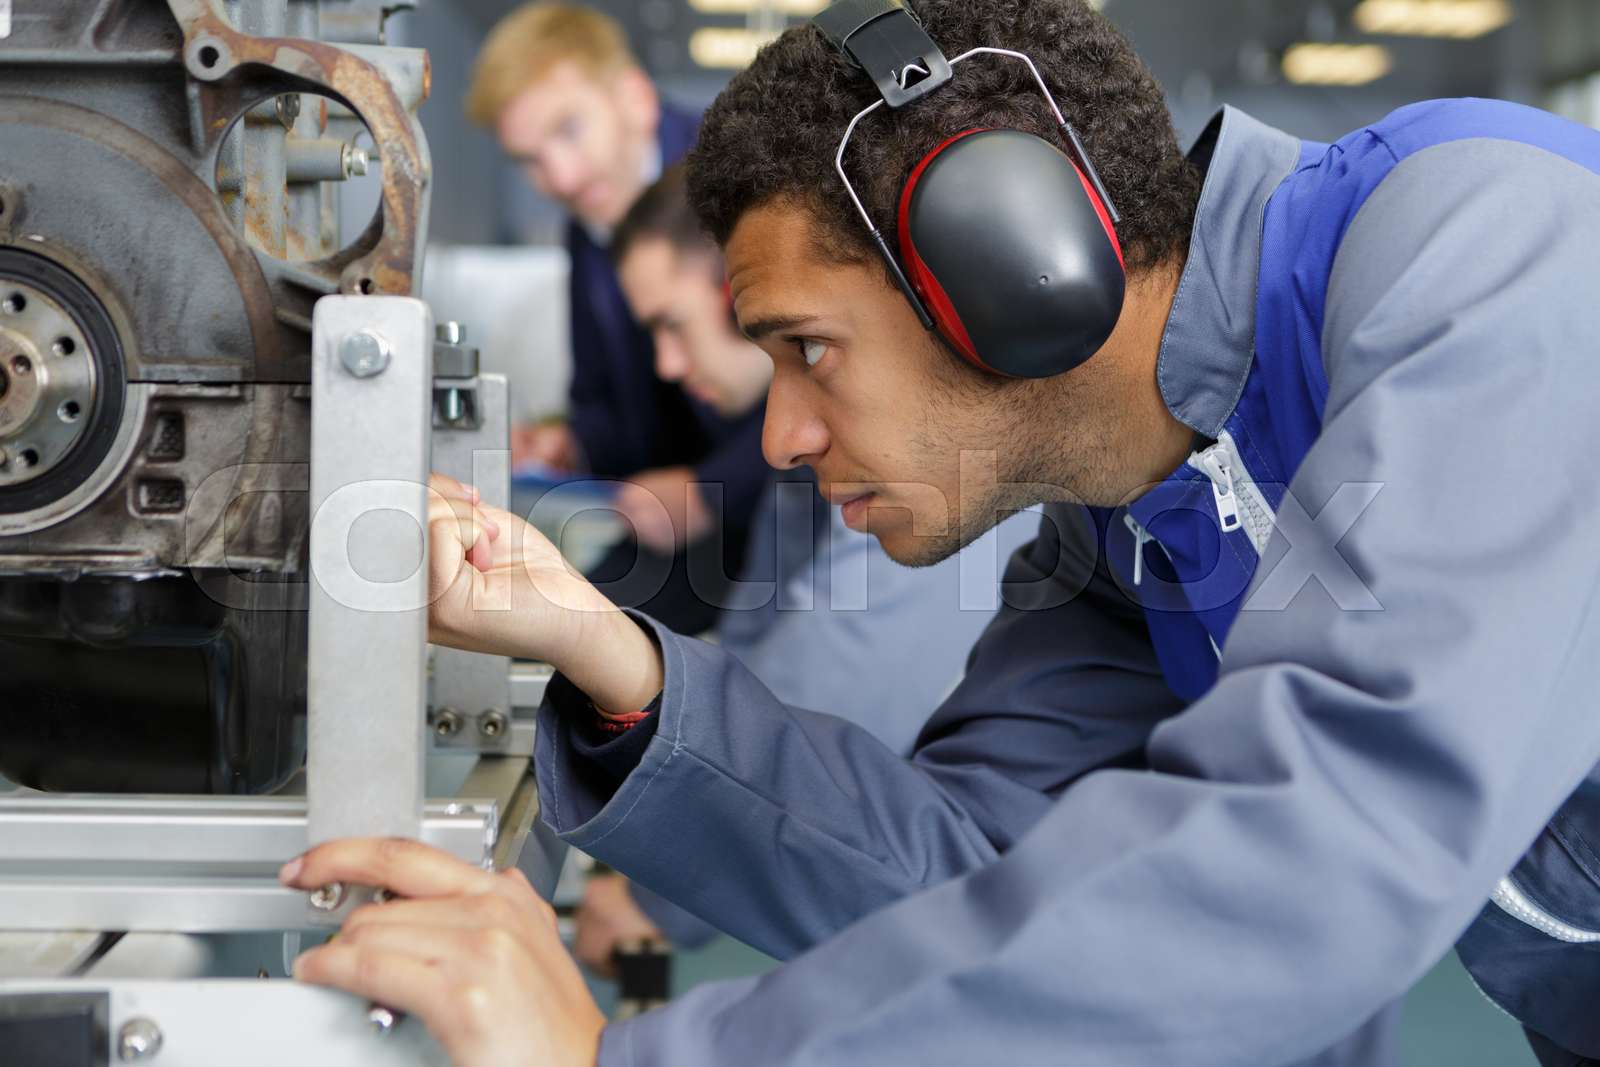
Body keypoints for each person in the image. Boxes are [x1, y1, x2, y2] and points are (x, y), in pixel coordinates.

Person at [285, 2, 1600, 1065]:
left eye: (809, 347)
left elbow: (1332, 844)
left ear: (1008, 265)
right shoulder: (1133, 525)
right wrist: (606, 651)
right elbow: (960, 870)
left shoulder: (1487, 249)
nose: (785, 434)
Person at [573, 165, 1039, 970]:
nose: (667, 366)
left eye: (673, 325)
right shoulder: (801, 449)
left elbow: (831, 683)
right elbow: (762, 645)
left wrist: (656, 890)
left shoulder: (912, 428)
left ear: (739, 294)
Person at [467, 2, 770, 633]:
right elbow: (605, 394)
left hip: (776, 497)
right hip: (686, 515)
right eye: (529, 159)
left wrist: (714, 487)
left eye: (569, 129)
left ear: (633, 99)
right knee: (562, 626)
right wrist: (572, 440)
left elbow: (821, 366)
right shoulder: (592, 225)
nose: (560, 175)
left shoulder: (744, 180)